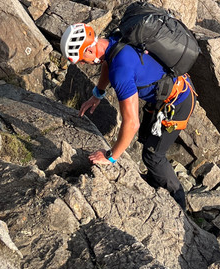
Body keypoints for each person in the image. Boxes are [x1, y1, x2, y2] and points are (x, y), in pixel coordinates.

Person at [60, 20, 195, 210]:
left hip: (177, 103)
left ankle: (179, 204)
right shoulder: (113, 41)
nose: (85, 63)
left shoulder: (121, 71)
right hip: (166, 93)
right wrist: (97, 95)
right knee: (145, 140)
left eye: (82, 59)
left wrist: (111, 157)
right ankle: (156, 180)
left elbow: (131, 123)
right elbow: (106, 62)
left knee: (153, 155)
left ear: (89, 50)